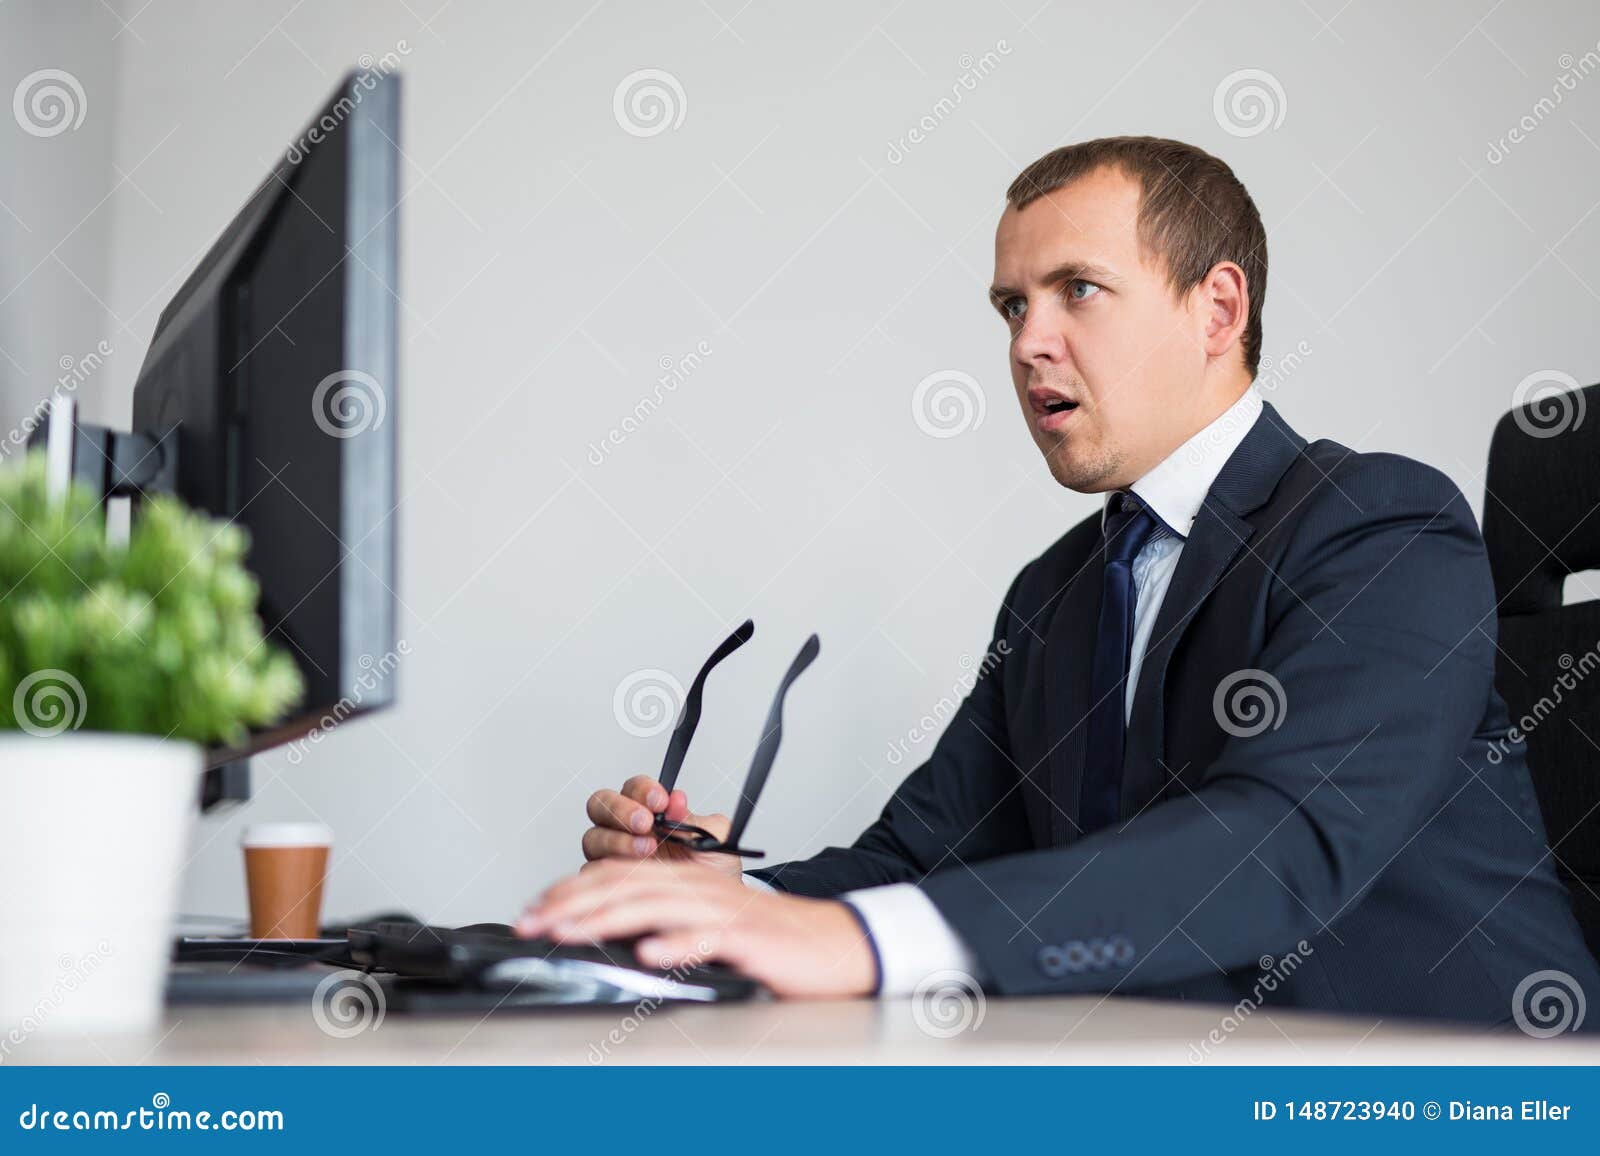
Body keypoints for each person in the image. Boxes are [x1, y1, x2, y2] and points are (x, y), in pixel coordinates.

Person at [517, 136, 1600, 1022]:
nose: (1029, 342)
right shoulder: (1055, 591)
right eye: (1009, 306)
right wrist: (722, 895)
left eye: (1076, 289)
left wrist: (849, 940)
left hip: (1458, 1088)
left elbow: (1280, 841)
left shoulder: (1380, 525)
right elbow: (919, 854)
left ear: (1216, 310)